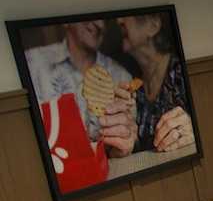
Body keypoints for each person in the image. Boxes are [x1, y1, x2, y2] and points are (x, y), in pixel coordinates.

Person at [24, 20, 137, 156]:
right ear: (66, 22)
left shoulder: (121, 77)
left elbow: (129, 137)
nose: (100, 24)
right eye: (92, 15)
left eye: (102, 19)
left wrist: (123, 143)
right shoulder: (31, 64)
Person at [116, 12, 193, 153]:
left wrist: (192, 132)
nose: (119, 20)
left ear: (153, 26)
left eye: (125, 15)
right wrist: (127, 139)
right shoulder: (134, 89)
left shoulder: (183, 72)